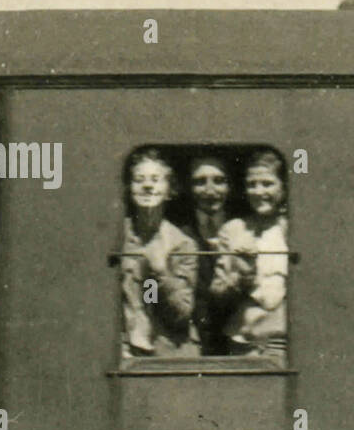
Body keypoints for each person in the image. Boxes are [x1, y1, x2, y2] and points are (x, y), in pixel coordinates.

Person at [211, 151, 290, 365]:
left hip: (284, 344)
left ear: (282, 187)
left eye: (267, 184)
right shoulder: (233, 229)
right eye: (252, 184)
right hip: (243, 342)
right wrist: (241, 278)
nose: (259, 191)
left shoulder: (294, 229)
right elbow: (217, 294)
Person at [121, 148, 199, 356]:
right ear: (129, 188)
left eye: (155, 180)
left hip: (166, 348)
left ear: (169, 190)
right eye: (139, 180)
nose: (147, 186)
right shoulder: (117, 234)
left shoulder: (182, 244)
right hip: (123, 347)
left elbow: (181, 312)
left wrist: (160, 272)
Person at [180, 156, 237, 356]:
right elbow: (150, 290)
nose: (210, 190)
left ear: (230, 187)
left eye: (219, 181)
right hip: (190, 343)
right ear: (188, 187)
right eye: (200, 181)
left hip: (238, 343)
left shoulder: (246, 227)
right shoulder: (176, 230)